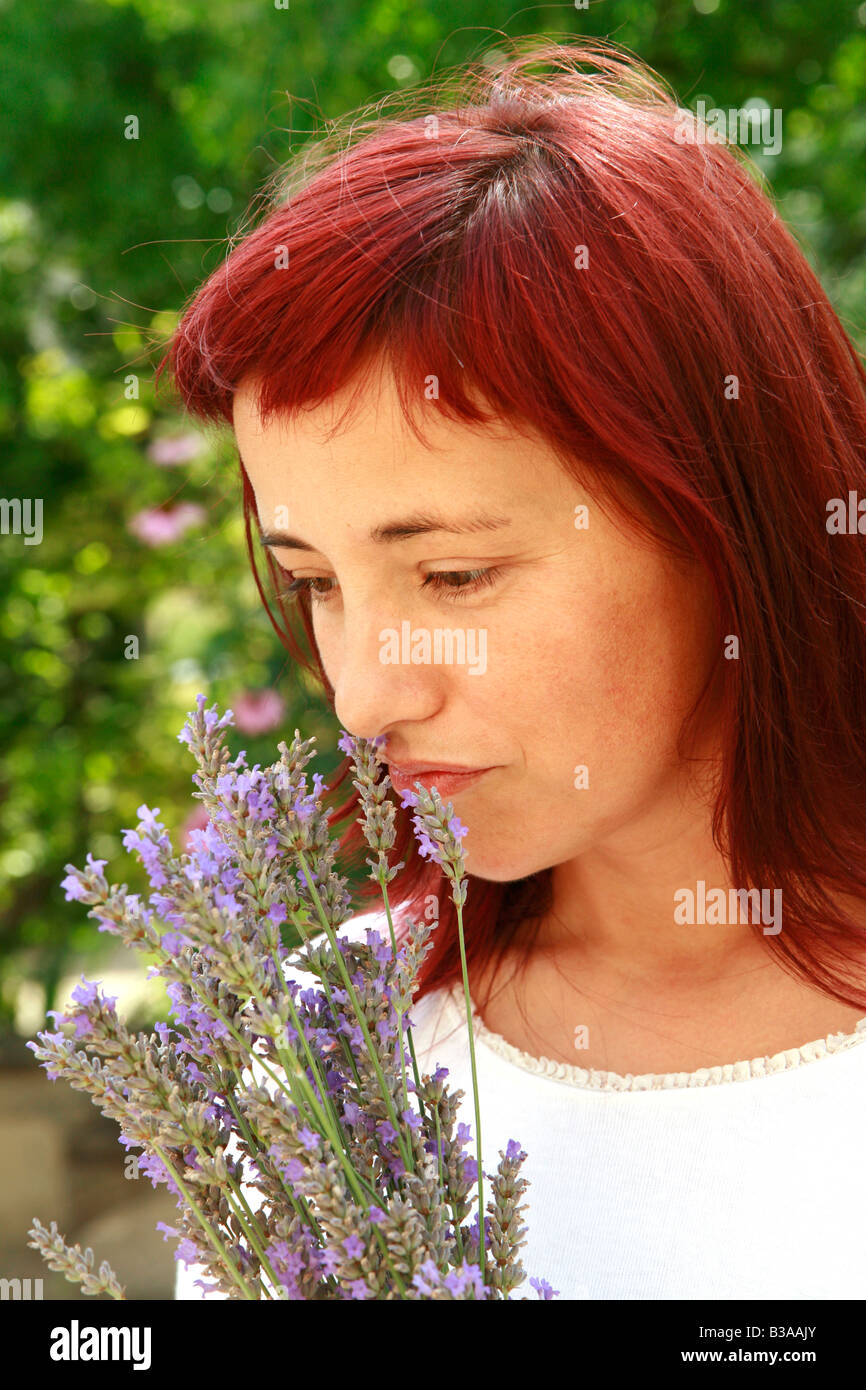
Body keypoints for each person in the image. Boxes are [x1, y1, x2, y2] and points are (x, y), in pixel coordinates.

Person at [165, 37, 866, 1299]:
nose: (366, 695)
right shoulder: (322, 1054)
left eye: (453, 577)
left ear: (723, 521)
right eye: (316, 583)